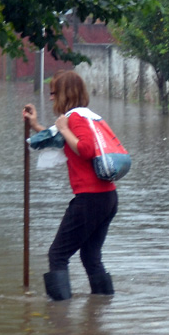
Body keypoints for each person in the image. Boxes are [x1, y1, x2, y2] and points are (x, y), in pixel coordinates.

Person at [23, 71, 117, 300]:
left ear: (65, 93)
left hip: (90, 199)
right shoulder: (90, 117)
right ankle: (103, 305)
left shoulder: (74, 119)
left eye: (53, 93)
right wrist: (35, 125)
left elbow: (86, 149)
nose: (51, 98)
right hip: (107, 197)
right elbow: (59, 141)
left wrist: (64, 128)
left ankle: (59, 314)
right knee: (90, 256)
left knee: (57, 254)